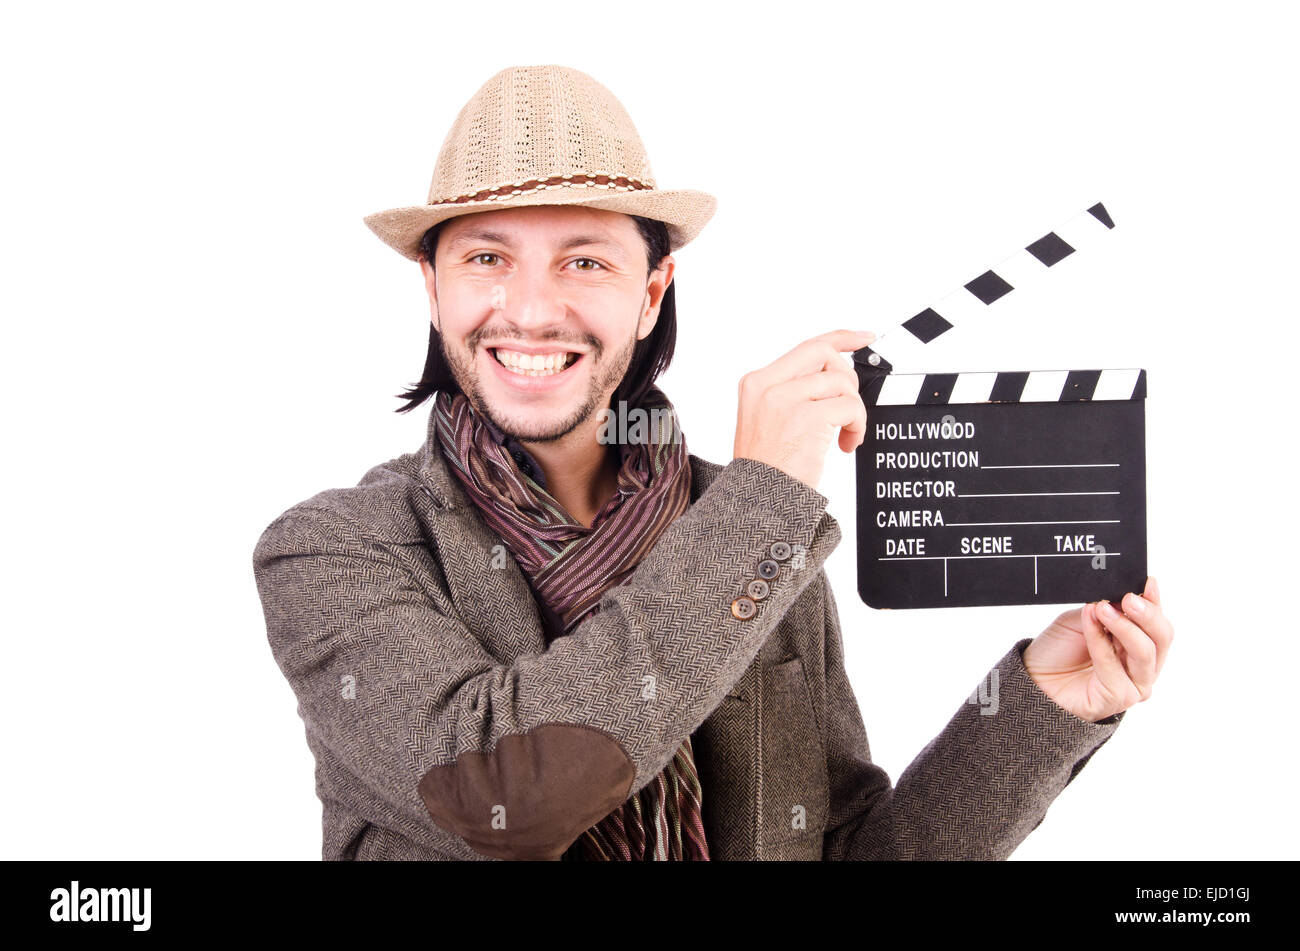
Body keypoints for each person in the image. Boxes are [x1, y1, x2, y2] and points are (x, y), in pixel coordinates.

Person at [252, 64, 1174, 861]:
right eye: (487, 257)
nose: (529, 310)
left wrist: (1041, 707)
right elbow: (503, 798)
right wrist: (762, 505)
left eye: (585, 263)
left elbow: (842, 846)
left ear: (652, 294)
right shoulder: (335, 550)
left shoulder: (754, 536)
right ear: (433, 287)